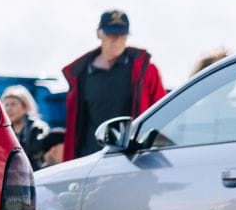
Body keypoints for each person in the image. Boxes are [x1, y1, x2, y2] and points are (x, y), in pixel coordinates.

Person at [62, 10, 166, 160]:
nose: (117, 40)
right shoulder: (81, 74)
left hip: (131, 158)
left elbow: (161, 113)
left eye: (122, 35)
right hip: (90, 158)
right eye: (111, 34)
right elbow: (74, 127)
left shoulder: (146, 71)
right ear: (99, 33)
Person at [1, 84, 50, 169]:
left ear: (25, 107)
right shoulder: (4, 130)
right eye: (6, 105)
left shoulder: (38, 129)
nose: (8, 109)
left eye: (13, 104)